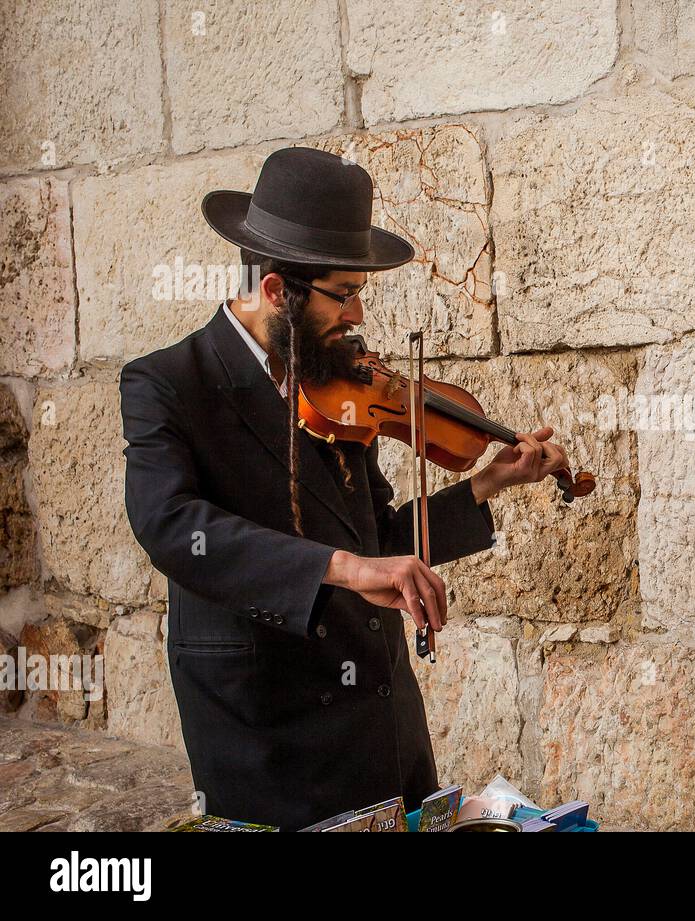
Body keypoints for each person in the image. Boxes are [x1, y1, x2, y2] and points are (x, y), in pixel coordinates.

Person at [121, 147, 567, 830]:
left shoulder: (335, 384)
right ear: (276, 290)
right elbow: (172, 528)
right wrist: (341, 568)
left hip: (382, 722)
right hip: (270, 735)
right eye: (344, 292)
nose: (357, 313)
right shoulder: (168, 384)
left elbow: (377, 540)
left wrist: (489, 481)